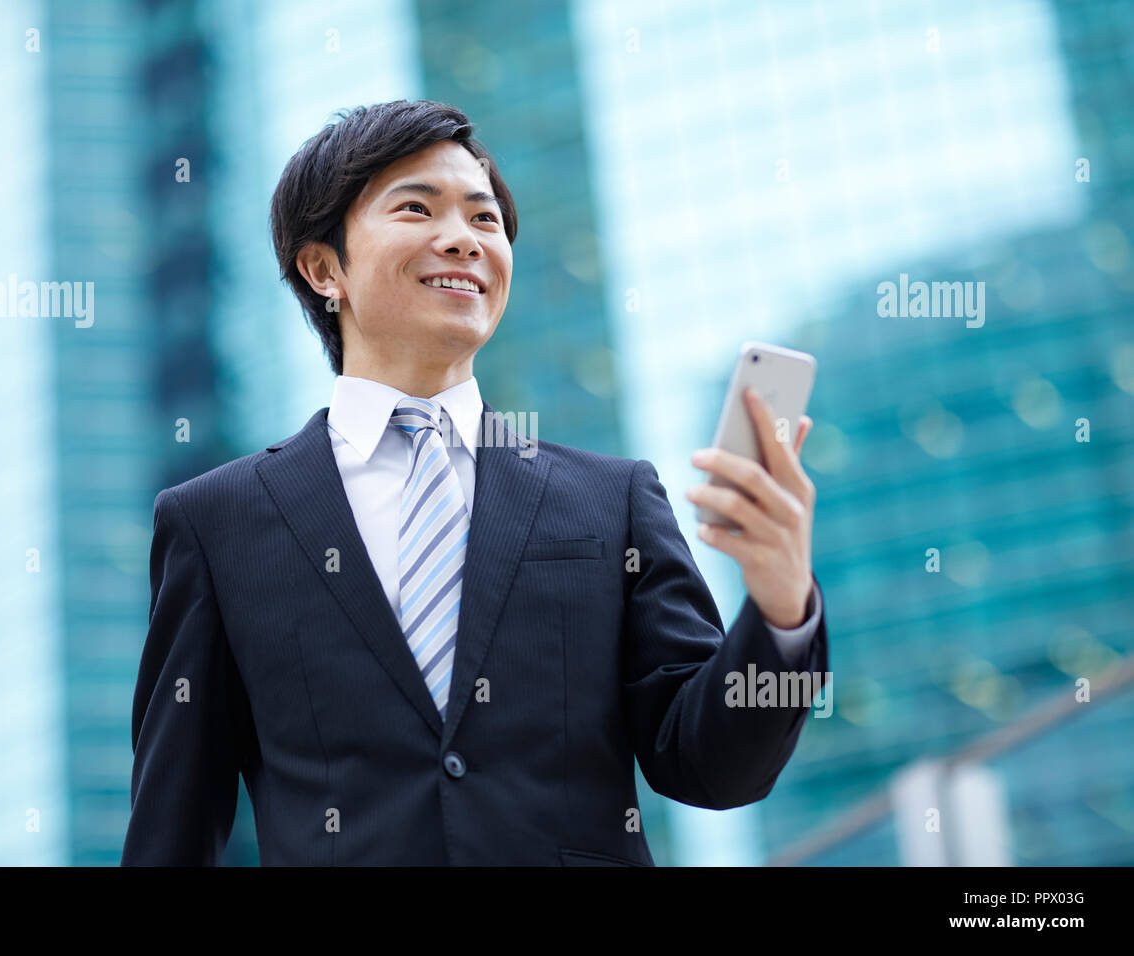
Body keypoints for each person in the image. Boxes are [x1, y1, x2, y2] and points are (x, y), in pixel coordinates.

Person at [121, 99, 827, 866]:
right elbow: (172, 826)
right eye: (417, 209)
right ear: (324, 268)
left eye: (484, 220)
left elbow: (714, 769)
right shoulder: (217, 522)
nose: (462, 239)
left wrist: (781, 608)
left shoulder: (611, 501)